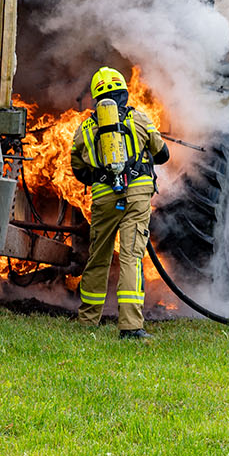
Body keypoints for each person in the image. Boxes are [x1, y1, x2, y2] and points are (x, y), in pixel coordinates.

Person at [70, 66, 170, 339]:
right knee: (130, 257)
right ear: (124, 93)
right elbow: (163, 154)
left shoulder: (85, 129)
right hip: (136, 194)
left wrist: (101, 174)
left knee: (98, 258)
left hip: (103, 198)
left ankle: (88, 320)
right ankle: (130, 326)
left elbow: (78, 170)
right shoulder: (139, 119)